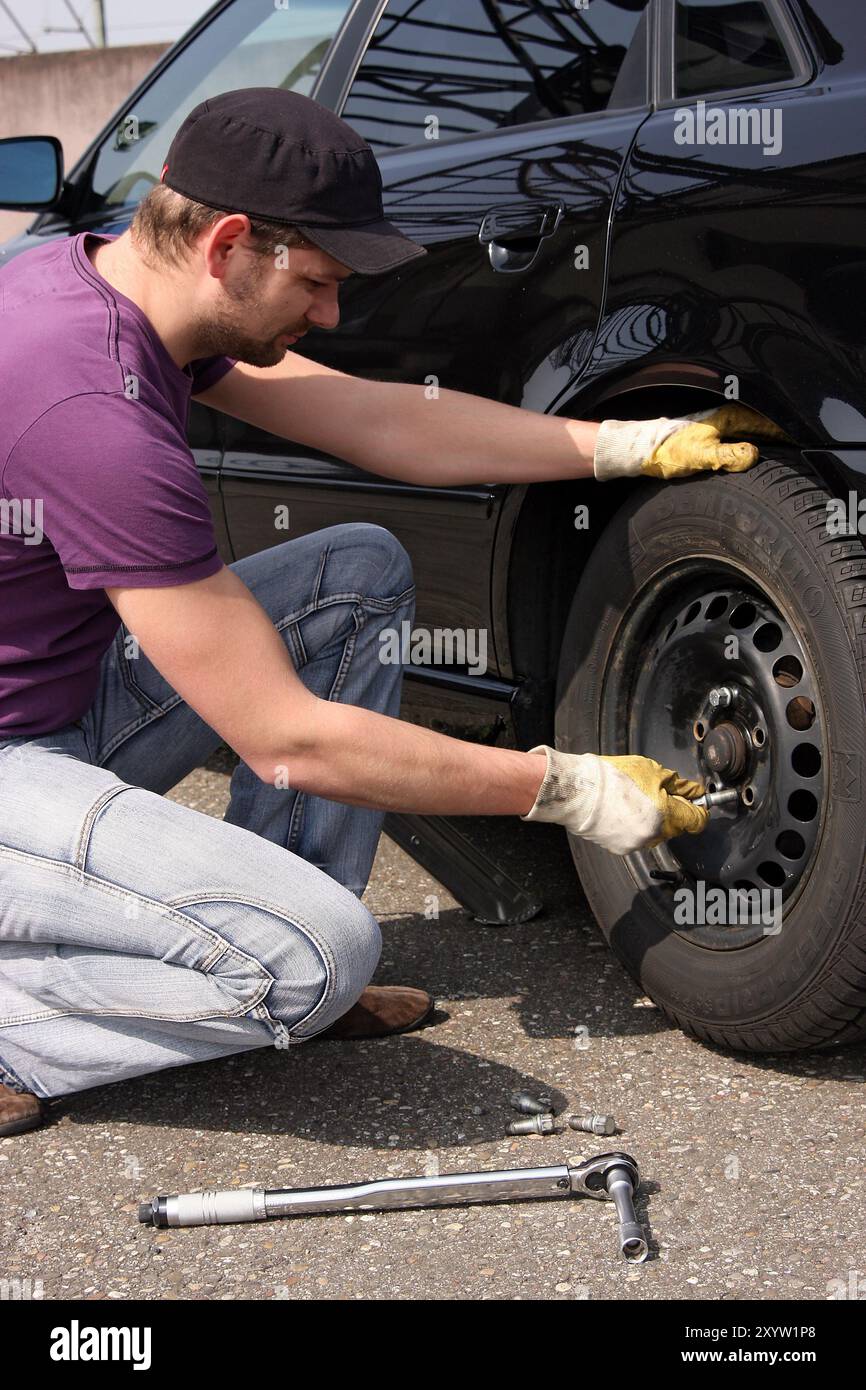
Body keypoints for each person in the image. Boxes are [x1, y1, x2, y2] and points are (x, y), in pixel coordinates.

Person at [0, 89, 771, 1136]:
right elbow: (285, 737)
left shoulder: (119, 287)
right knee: (312, 957)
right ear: (228, 244)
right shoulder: (88, 406)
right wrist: (564, 788)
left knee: (355, 573)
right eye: (316, 282)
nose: (329, 314)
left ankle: (285, 933)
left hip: (48, 719)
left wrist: (616, 446)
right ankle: (31, 1021)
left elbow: (370, 417)